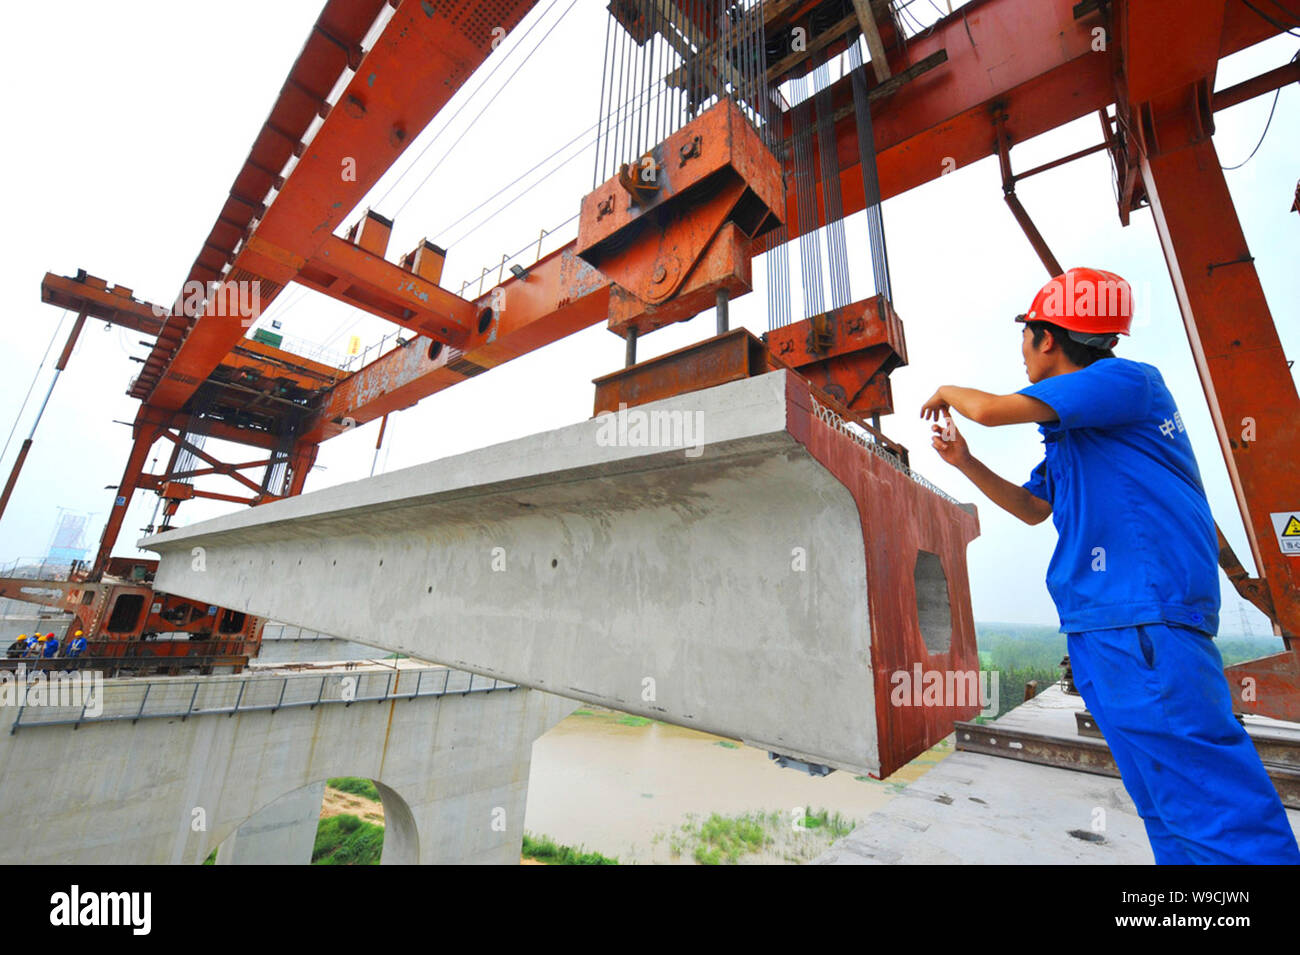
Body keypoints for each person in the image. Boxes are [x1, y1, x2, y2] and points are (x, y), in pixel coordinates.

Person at [920, 266, 1300, 866]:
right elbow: (1031, 508)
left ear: (1048, 337)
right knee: (1163, 805)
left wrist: (946, 389)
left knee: (1215, 810)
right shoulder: (1076, 434)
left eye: (1025, 336)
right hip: (1101, 629)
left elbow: (991, 410)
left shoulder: (1126, 382)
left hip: (1144, 621)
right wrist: (964, 462)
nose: (1022, 351)